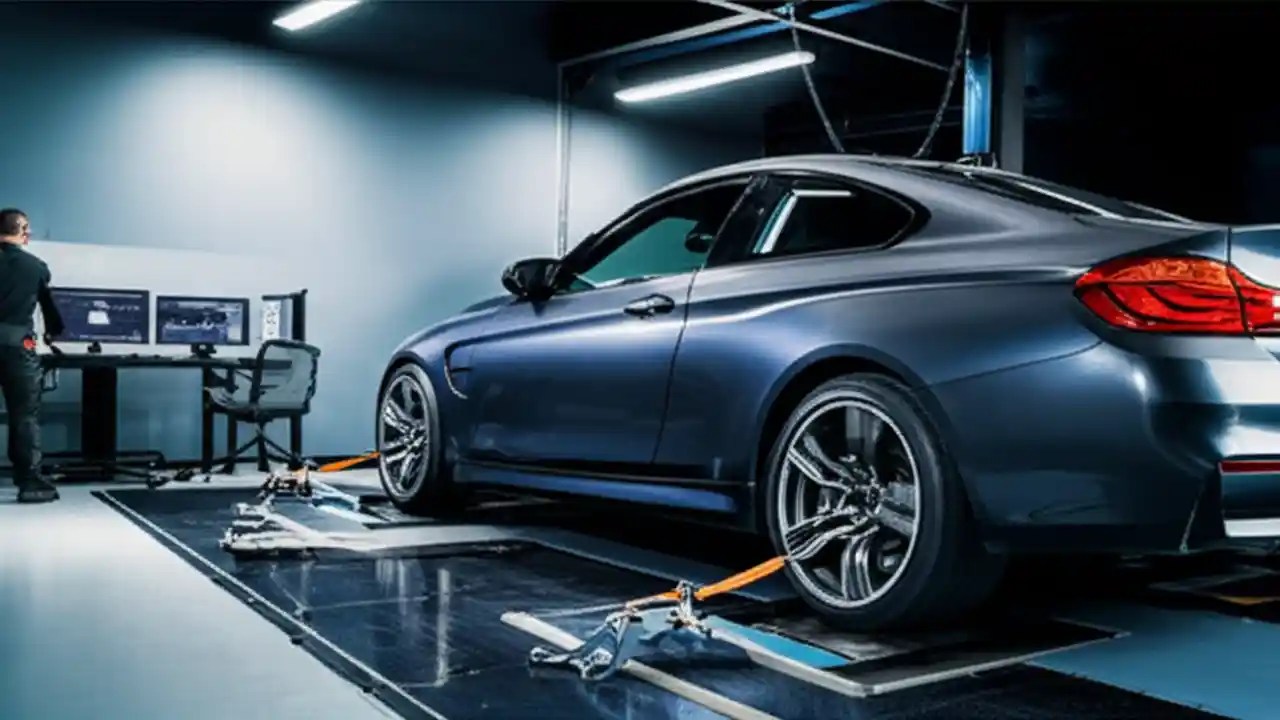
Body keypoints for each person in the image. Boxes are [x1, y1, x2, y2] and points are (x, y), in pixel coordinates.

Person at [0, 208, 63, 503]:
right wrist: (54, 334)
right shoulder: (35, 266)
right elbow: (50, 310)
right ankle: (30, 483)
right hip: (18, 347)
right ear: (22, 230)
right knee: (24, 416)